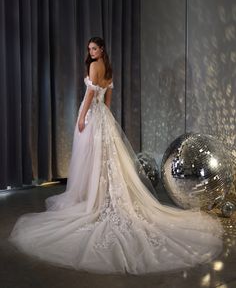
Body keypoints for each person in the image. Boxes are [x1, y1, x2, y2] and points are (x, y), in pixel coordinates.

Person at [9, 37, 223, 274]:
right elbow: (108, 102)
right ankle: (102, 195)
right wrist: (102, 118)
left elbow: (90, 96)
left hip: (91, 115)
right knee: (105, 160)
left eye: (94, 48)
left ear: (101, 50)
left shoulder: (93, 67)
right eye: (89, 49)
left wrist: (82, 118)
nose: (90, 52)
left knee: (91, 159)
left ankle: (94, 198)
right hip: (104, 119)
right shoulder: (109, 71)